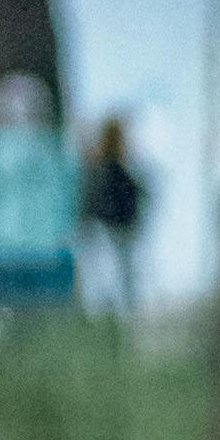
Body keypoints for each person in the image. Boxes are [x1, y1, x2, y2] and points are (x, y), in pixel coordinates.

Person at [0, 75, 78, 303]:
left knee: (15, 326)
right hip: (38, 252)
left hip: (10, 251)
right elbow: (69, 195)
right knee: (44, 326)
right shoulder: (52, 148)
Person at [76, 112, 151, 311]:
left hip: (120, 232)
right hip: (110, 232)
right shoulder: (107, 168)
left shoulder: (121, 167)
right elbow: (101, 202)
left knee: (118, 283)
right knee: (111, 283)